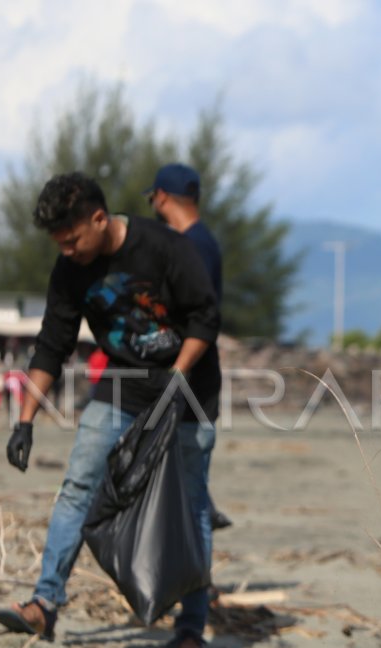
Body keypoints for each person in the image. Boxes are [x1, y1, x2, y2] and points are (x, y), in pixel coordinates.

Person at [0, 172, 220, 648]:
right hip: (120, 388)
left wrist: (176, 378)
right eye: (60, 243)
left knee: (192, 506)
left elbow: (205, 317)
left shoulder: (165, 248)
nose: (68, 251)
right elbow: (52, 344)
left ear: (99, 219)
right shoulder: (69, 269)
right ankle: (44, 602)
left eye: (73, 240)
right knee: (78, 485)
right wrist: (25, 420)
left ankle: (190, 629)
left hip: (188, 393)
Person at [145, 162, 233, 532]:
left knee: (190, 491)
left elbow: (198, 318)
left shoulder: (190, 246)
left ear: (161, 197)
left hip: (188, 383)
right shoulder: (205, 242)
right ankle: (198, 581)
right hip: (198, 381)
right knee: (188, 485)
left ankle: (200, 585)